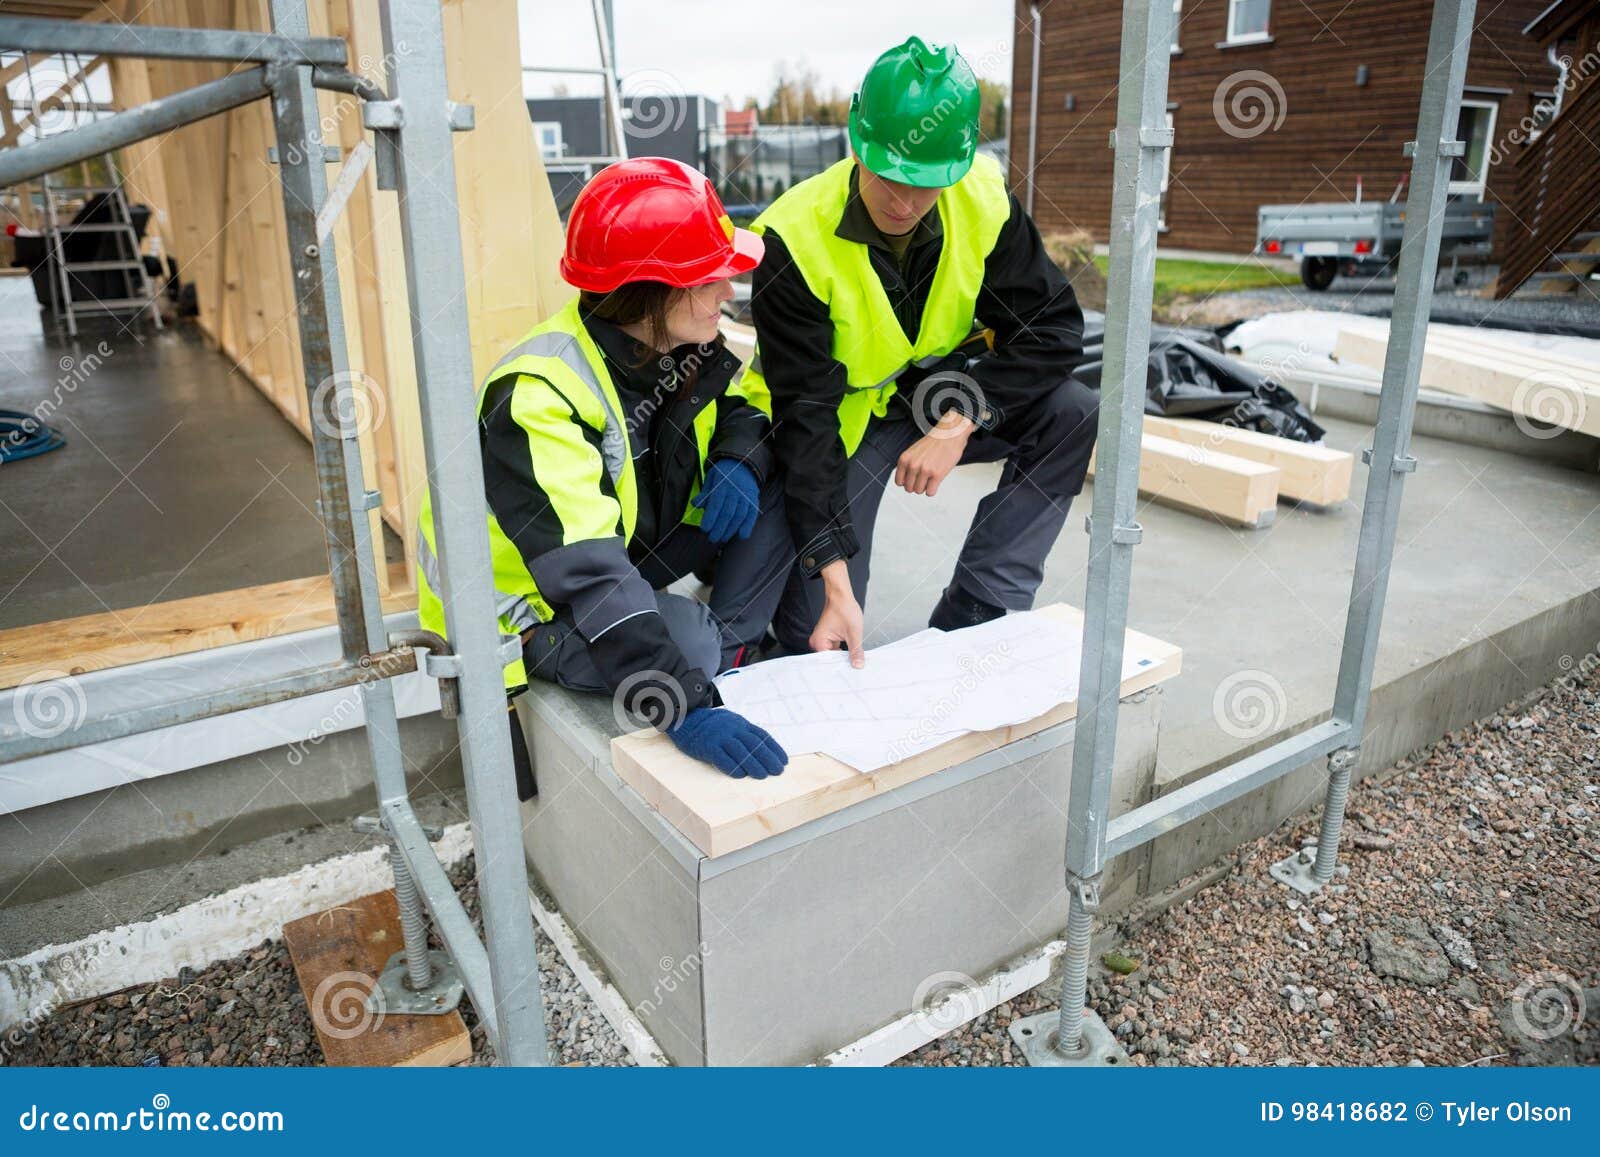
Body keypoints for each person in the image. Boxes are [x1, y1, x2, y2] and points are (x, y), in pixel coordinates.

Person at [415, 158, 790, 786]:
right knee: (691, 645)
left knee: (778, 471)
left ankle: (729, 646)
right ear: (654, 290)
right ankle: (709, 652)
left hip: (622, 544)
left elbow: (742, 406)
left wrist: (737, 460)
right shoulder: (539, 395)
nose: (729, 291)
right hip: (532, 605)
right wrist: (686, 706)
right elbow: (590, 575)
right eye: (711, 277)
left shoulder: (676, 344)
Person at [745, 36, 1096, 665]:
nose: (904, 203)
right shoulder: (790, 238)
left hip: (938, 397)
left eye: (927, 184)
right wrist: (832, 575)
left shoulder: (981, 200)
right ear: (858, 142)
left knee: (1073, 410)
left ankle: (977, 607)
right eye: (890, 178)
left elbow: (1056, 328)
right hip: (844, 419)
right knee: (813, 633)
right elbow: (805, 416)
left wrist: (963, 419)